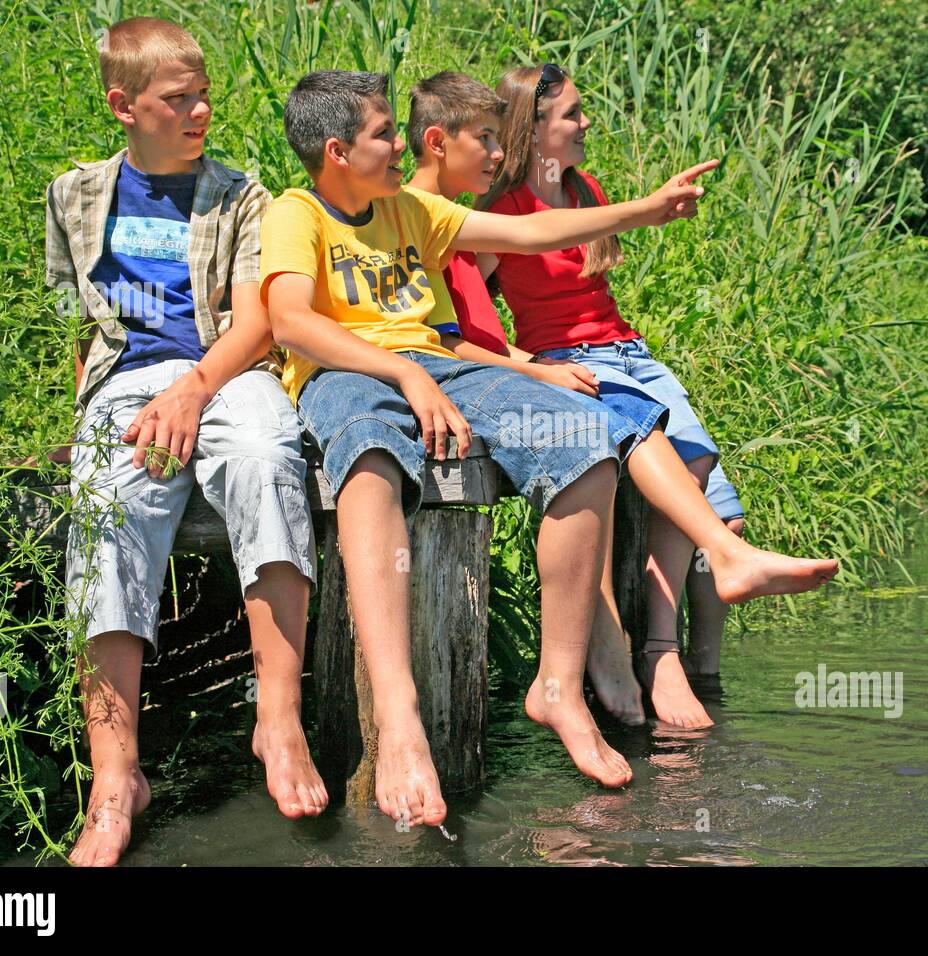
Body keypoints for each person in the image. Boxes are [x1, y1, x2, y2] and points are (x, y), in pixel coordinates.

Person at [261, 68, 735, 828]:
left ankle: (556, 683)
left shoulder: (410, 206)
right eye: (384, 133)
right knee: (371, 460)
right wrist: (399, 372)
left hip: (444, 369)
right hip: (348, 371)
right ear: (337, 150)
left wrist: (646, 211)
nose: (399, 144)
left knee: (583, 439)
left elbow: (527, 232)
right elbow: (289, 321)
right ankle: (400, 712)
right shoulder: (297, 212)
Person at [405, 71, 839, 726]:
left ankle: (700, 663)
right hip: (551, 365)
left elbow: (485, 311)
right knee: (630, 446)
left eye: (497, 139)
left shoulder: (549, 197)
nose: (586, 126)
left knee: (716, 501)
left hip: (611, 354)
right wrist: (536, 366)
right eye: (573, 116)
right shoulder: (466, 218)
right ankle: (651, 651)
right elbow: (458, 327)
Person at [47, 18, 325, 867]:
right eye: (179, 99)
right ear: (123, 106)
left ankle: (277, 722)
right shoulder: (74, 195)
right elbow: (68, 322)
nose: (201, 109)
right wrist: (79, 419)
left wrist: (193, 388)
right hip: (125, 381)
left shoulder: (244, 196)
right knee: (113, 499)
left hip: (225, 369)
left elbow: (255, 325)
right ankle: (115, 776)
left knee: (265, 457)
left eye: (205, 94)